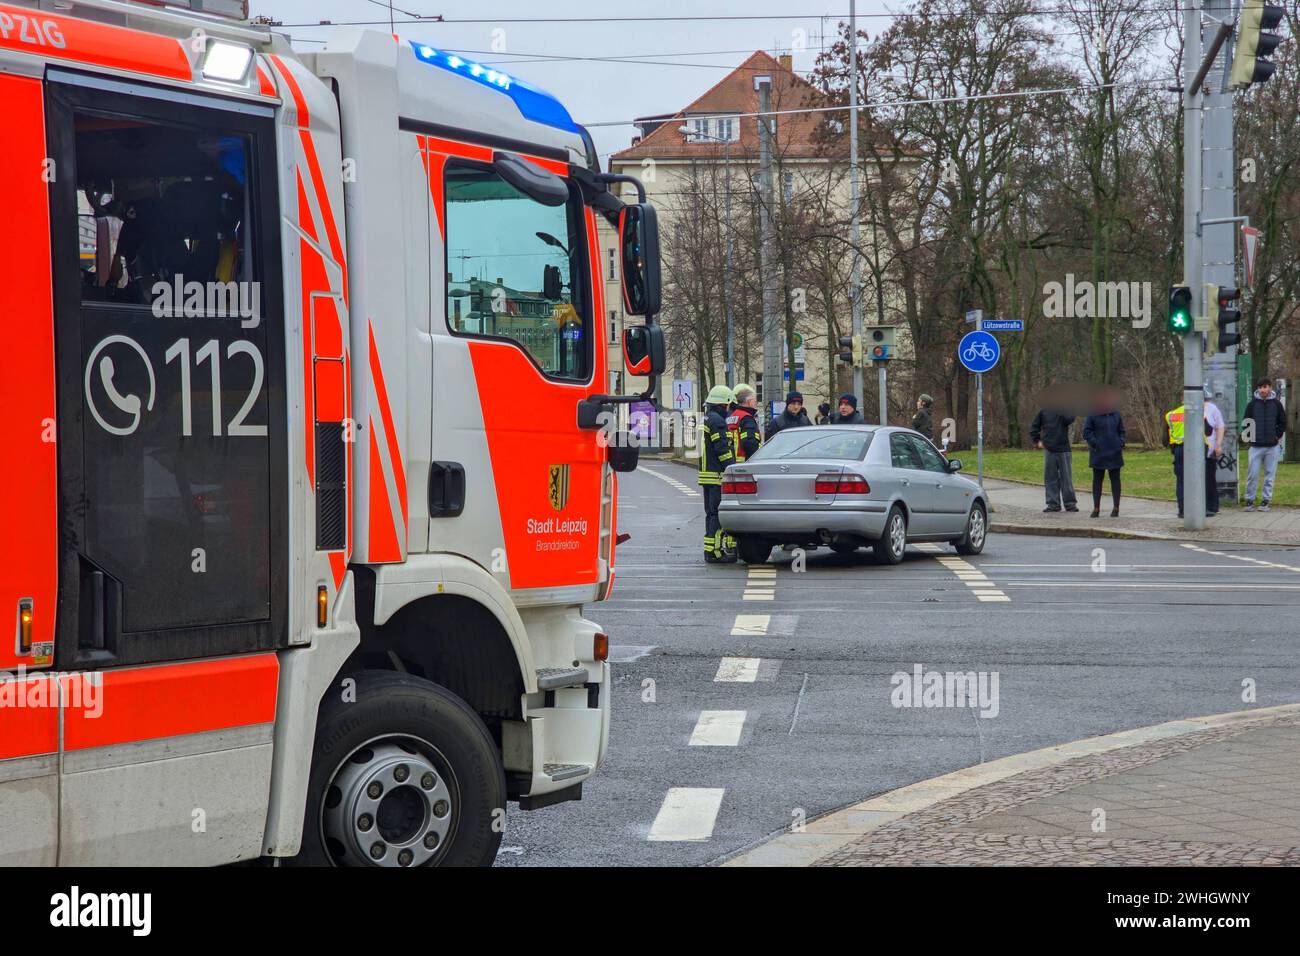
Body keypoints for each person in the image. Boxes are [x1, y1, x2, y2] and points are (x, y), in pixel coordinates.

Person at [698, 384, 737, 563]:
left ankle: (710, 550)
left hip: (707, 476)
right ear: (725, 404)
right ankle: (714, 552)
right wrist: (732, 468)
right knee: (717, 515)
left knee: (710, 514)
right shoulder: (717, 421)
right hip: (717, 477)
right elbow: (722, 449)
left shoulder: (706, 419)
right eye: (729, 405)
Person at [1242, 376, 1287, 512]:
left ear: (1270, 387)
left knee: (1269, 475)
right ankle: (1249, 500)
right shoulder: (1252, 404)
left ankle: (1265, 501)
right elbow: (1246, 422)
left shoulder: (1277, 405)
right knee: (1252, 474)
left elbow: (1282, 422)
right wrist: (1250, 438)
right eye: (1260, 387)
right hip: (1255, 447)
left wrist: (1277, 435)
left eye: (1265, 387)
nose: (1262, 390)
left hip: (1272, 447)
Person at [1083, 389, 1125, 518]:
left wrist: (1120, 442)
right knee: (1097, 481)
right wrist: (1095, 443)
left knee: (1115, 480)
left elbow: (1121, 430)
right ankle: (1096, 508)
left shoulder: (1116, 414)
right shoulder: (1092, 414)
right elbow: (1086, 432)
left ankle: (1116, 508)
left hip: (1114, 452)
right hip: (1098, 452)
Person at [1029, 405, 1078, 513]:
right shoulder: (1043, 412)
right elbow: (1034, 428)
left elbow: (1069, 419)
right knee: (1050, 478)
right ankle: (1053, 504)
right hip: (1049, 449)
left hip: (1064, 449)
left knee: (1066, 479)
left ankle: (1070, 504)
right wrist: (1037, 441)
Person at [1202, 385, 1225, 517]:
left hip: (1209, 450)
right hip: (1194, 452)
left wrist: (1218, 444)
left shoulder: (1212, 408)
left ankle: (1212, 506)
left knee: (1209, 479)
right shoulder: (1187, 410)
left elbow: (1220, 426)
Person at [727, 383, 763, 463]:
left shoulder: (732, 416)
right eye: (755, 401)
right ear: (749, 402)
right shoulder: (746, 418)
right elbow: (750, 444)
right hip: (745, 463)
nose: (756, 404)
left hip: (732, 462)